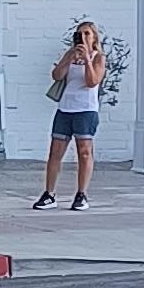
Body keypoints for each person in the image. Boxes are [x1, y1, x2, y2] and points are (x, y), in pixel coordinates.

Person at [35, 20, 112, 212]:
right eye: (80, 34)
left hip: (85, 110)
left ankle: (81, 194)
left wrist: (86, 59)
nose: (83, 37)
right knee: (55, 153)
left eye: (87, 34)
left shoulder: (98, 58)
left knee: (84, 152)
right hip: (65, 109)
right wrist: (69, 58)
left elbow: (92, 81)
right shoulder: (70, 55)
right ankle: (49, 194)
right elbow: (57, 75)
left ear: (94, 38)